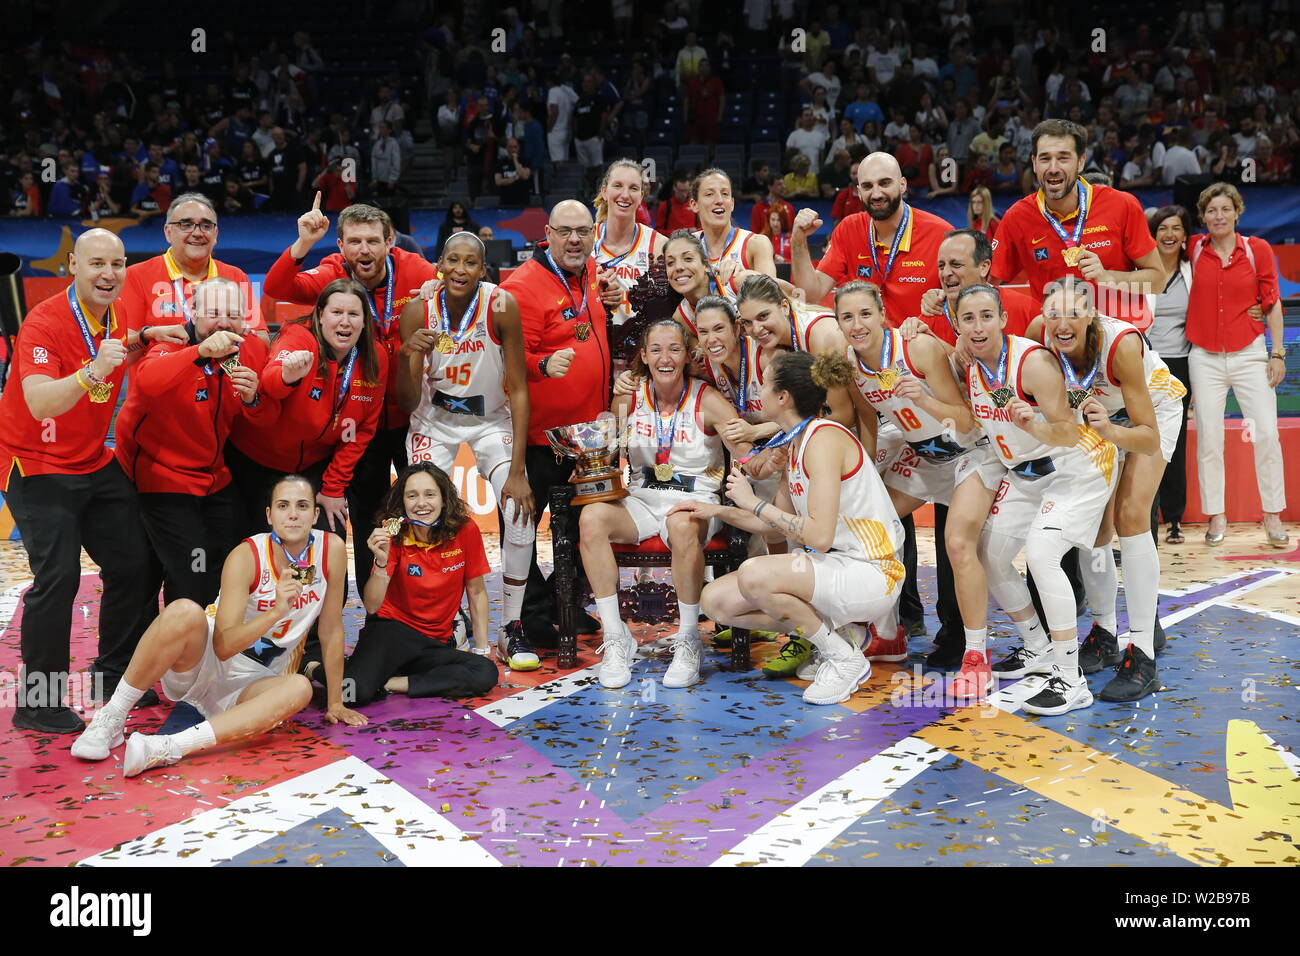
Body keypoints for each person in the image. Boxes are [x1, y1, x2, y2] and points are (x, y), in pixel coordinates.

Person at [70, 475, 367, 776]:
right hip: (203, 662)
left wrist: (335, 702)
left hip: (253, 682)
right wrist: (275, 612)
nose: (293, 514)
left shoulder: (331, 550)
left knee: (299, 687)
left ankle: (167, 747)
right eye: (283, 505)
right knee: (184, 610)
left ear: (315, 514)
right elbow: (223, 647)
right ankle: (112, 717)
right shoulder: (246, 555)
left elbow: (330, 628)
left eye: (302, 506)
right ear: (269, 515)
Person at [0, 230, 163, 734]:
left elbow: (117, 349)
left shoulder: (117, 312)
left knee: (135, 561)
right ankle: (37, 702)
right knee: (59, 580)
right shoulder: (44, 321)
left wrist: (145, 341)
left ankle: (112, 673)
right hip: (35, 463)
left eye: (117, 263)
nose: (109, 273)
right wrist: (94, 371)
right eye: (97, 263)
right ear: (72, 264)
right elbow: (41, 402)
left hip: (92, 459)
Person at [679, 350, 906, 706]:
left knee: (755, 575)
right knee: (718, 602)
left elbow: (818, 536)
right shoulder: (795, 442)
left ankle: (843, 658)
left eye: (765, 384)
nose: (759, 391)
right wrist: (715, 509)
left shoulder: (824, 440)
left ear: (783, 397)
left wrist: (753, 501)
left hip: (873, 571)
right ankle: (843, 637)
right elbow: (767, 524)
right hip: (835, 569)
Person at [953, 284, 1116, 716]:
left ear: (1004, 319)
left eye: (987, 315)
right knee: (989, 552)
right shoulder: (972, 364)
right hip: (1026, 473)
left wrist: (1035, 426)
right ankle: (1038, 647)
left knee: (1042, 556)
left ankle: (1070, 678)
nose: (978, 325)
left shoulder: (1033, 363)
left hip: (1076, 465)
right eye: (968, 318)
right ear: (958, 325)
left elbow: (1069, 430)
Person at [1021, 277, 1185, 701]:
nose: (1061, 322)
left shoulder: (1122, 344)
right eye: (1053, 312)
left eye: (1073, 313)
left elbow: (1147, 436)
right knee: (1094, 528)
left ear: (1090, 313)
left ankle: (1144, 654)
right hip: (1100, 419)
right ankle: (1105, 632)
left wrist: (1111, 431)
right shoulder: (1041, 335)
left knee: (1131, 515)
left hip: (1152, 414)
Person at [264, 199, 437, 586]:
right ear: (340, 246)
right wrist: (302, 244)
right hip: (361, 418)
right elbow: (278, 289)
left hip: (416, 415)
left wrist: (441, 288)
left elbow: (467, 292)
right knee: (368, 515)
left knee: (425, 508)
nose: (364, 250)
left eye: (373, 241)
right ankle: (374, 611)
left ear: (390, 241)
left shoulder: (416, 270)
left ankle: (428, 601)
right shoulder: (331, 273)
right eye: (354, 241)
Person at [397, 234, 538, 669]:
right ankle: (449, 616)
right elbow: (404, 402)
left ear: (483, 269)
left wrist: (517, 470)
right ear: (439, 264)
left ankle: (511, 627)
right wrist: (408, 356)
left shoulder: (501, 306)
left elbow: (518, 388)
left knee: (518, 512)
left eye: (471, 263)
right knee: (423, 514)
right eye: (453, 260)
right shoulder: (418, 309)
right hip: (432, 423)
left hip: (491, 421)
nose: (460, 269)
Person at [836, 278, 994, 668]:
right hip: (924, 457)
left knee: (964, 547)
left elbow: (969, 420)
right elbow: (868, 417)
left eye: (865, 314)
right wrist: (867, 468)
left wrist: (922, 397)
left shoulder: (916, 348)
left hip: (970, 453)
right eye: (847, 317)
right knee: (870, 526)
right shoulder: (850, 361)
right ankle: (888, 634)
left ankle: (977, 650)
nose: (857, 325)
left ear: (882, 315)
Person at [584, 318, 745, 689]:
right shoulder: (629, 395)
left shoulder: (708, 398)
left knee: (682, 524)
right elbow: (607, 448)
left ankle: (688, 640)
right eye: (655, 349)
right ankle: (616, 637)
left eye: (674, 349)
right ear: (644, 355)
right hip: (641, 497)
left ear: (688, 356)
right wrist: (594, 448)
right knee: (591, 518)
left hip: (695, 500)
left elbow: (745, 452)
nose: (665, 357)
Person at [116, 277, 270, 609]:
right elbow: (145, 383)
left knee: (232, 560)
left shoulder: (251, 349)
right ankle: (179, 644)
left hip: (215, 478)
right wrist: (198, 352)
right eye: (213, 312)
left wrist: (255, 400)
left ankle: (208, 639)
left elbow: (265, 420)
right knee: (191, 570)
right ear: (194, 311)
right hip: (163, 478)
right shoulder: (171, 342)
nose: (223, 322)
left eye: (232, 313)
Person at [500, 200, 611, 649]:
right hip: (541, 438)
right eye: (564, 231)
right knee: (524, 528)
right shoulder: (522, 286)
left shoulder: (591, 272)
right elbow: (508, 362)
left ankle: (562, 604)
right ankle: (532, 618)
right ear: (546, 232)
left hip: (588, 438)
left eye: (583, 231)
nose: (574, 240)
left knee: (583, 529)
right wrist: (543, 365)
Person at [303, 464, 499, 703]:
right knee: (354, 694)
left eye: (430, 494)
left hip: (435, 641)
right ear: (403, 502)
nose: (421, 503)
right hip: (391, 633)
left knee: (485, 672)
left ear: (444, 499)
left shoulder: (465, 530)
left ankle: (389, 683)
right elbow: (373, 606)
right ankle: (313, 667)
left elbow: (476, 592)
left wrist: (481, 649)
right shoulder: (392, 535)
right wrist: (381, 562)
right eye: (412, 495)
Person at [227, 279, 387, 545]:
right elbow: (268, 384)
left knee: (329, 540)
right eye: (337, 313)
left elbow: (362, 430)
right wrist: (287, 376)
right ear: (321, 315)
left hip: (314, 467)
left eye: (353, 314)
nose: (345, 322)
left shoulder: (375, 358)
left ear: (364, 321)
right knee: (254, 551)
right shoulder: (299, 338)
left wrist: (334, 488)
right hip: (255, 462)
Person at [1185, 183, 1288, 547]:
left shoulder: (1256, 250)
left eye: (1225, 209)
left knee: (1267, 434)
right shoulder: (1193, 249)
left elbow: (1272, 303)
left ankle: (1272, 515)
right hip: (1205, 357)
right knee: (1210, 441)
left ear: (1237, 212)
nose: (1218, 216)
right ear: (1202, 217)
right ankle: (1217, 516)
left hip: (1250, 352)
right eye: (1211, 210)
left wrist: (1277, 354)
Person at [990, 119, 1165, 327]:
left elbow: (1157, 281)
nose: (1053, 168)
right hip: (1057, 341)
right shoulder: (1017, 217)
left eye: (1063, 158)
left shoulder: (1121, 205)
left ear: (1081, 162)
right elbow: (987, 285)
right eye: (1045, 159)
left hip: (1119, 339)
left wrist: (1108, 277)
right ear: (1034, 163)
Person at [790, 152, 954, 325]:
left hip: (922, 346)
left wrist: (943, 296)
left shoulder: (941, 234)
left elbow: (969, 295)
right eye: (868, 186)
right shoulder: (849, 229)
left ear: (902, 185)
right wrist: (798, 240)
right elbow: (811, 294)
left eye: (884, 183)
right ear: (859, 192)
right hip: (868, 346)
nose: (876, 194)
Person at [118, 192, 266, 341]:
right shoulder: (136, 275)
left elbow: (262, 340)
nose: (197, 233)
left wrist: (245, 336)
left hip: (222, 364)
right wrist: (148, 335)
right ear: (168, 232)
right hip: (160, 362)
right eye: (186, 225)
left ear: (215, 235)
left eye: (206, 226)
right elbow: (122, 345)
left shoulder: (235, 276)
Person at [1146, 205, 1195, 544]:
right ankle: (1144, 519)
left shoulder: (1193, 270)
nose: (1169, 234)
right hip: (1144, 361)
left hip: (1180, 364)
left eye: (1176, 228)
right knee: (1144, 441)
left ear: (1185, 235)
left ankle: (1174, 517)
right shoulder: (1140, 270)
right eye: (1163, 228)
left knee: (1174, 443)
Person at [591, 159, 668, 330]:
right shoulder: (584, 240)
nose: (625, 195)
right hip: (594, 344)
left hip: (641, 348)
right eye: (617, 186)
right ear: (604, 191)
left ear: (641, 196)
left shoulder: (659, 245)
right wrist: (592, 288)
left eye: (633, 188)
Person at [691, 168, 777, 277]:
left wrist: (744, 276)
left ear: (732, 204)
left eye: (725, 193)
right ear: (695, 205)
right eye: (709, 194)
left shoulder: (756, 244)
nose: (719, 200)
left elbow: (770, 292)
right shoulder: (685, 246)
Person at [655, 170, 699, 235]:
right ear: (674, 188)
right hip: (672, 243)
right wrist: (678, 233)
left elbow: (702, 229)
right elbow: (658, 231)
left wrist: (696, 231)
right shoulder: (665, 206)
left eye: (686, 190)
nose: (683, 194)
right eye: (681, 190)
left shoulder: (695, 205)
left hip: (691, 243)